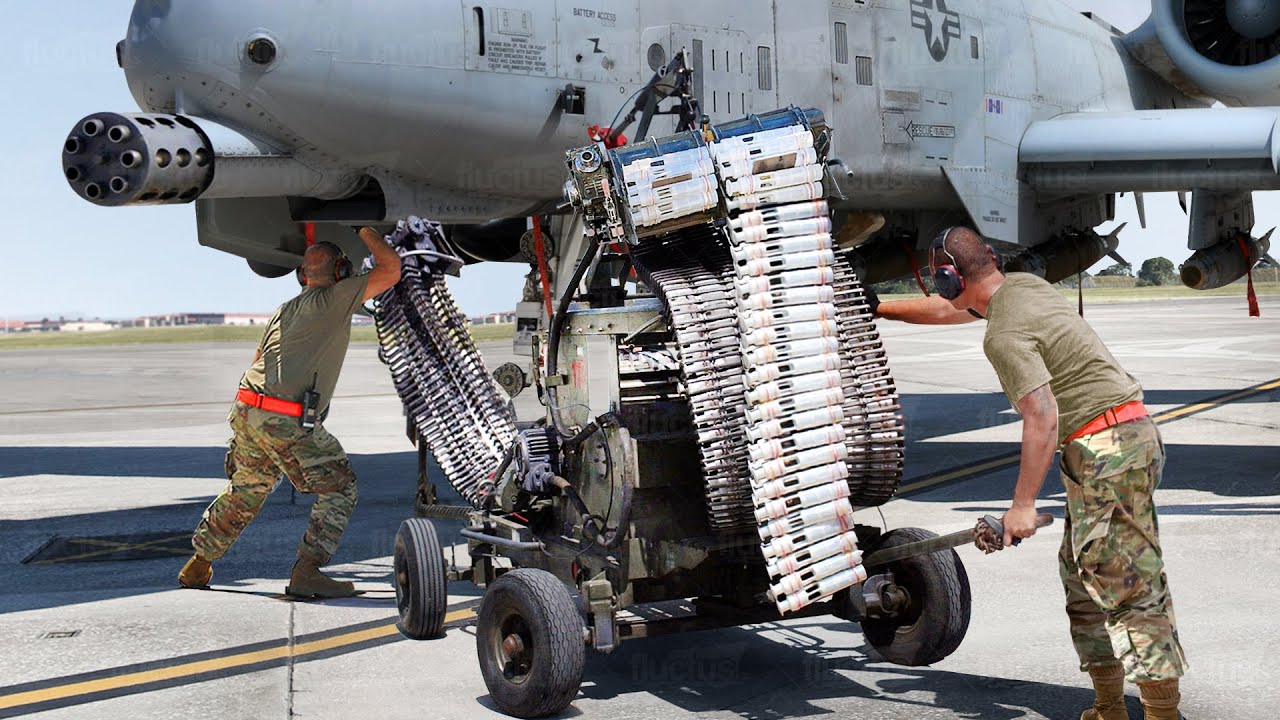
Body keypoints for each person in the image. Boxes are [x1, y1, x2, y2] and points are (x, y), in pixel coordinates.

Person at [872, 226, 1187, 720]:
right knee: (1083, 583)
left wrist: (1021, 506)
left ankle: (1164, 715)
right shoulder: (1023, 288)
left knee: (1127, 588)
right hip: (1114, 444)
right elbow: (953, 310)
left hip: (1106, 449)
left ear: (950, 278)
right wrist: (877, 307)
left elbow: (1042, 416)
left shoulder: (1003, 335)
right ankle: (1109, 708)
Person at [178, 227, 401, 598]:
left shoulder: (285, 310)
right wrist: (367, 228)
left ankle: (199, 563)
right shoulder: (336, 298)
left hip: (248, 409)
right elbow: (390, 268)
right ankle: (308, 571)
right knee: (340, 488)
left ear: (302, 275)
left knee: (248, 487)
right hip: (284, 418)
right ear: (341, 271)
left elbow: (257, 359)